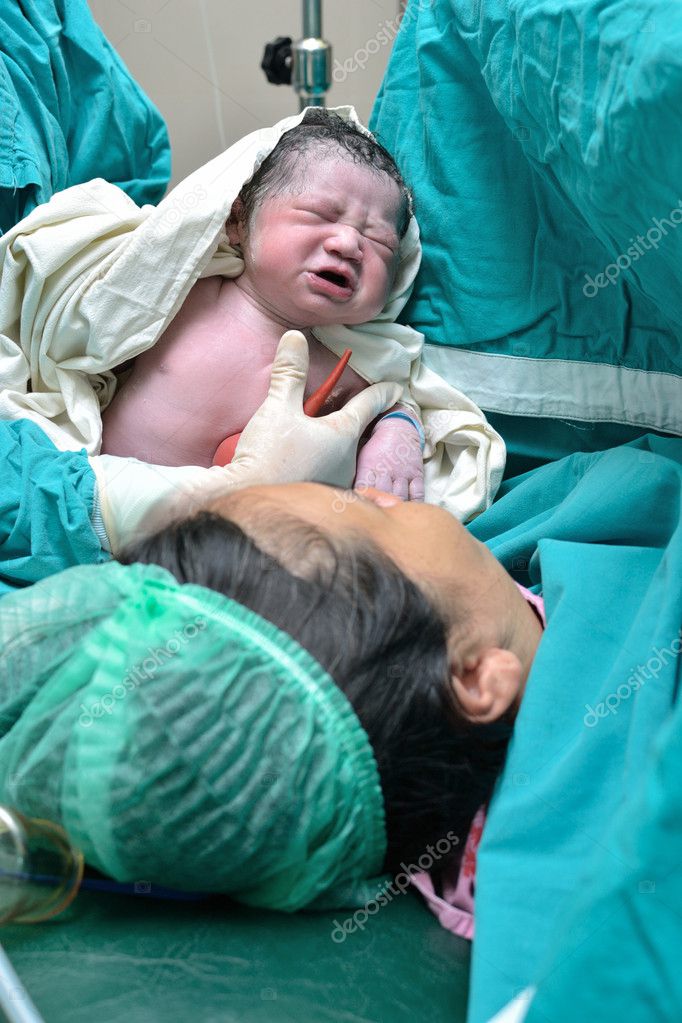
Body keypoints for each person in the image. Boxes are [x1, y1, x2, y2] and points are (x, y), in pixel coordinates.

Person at [100, 109, 426, 501]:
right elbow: (86, 337)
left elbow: (400, 401)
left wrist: (396, 435)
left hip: (232, 543)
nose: (349, 244)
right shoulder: (181, 298)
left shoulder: (350, 365)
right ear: (238, 221)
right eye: (320, 214)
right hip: (101, 503)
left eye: (380, 241)